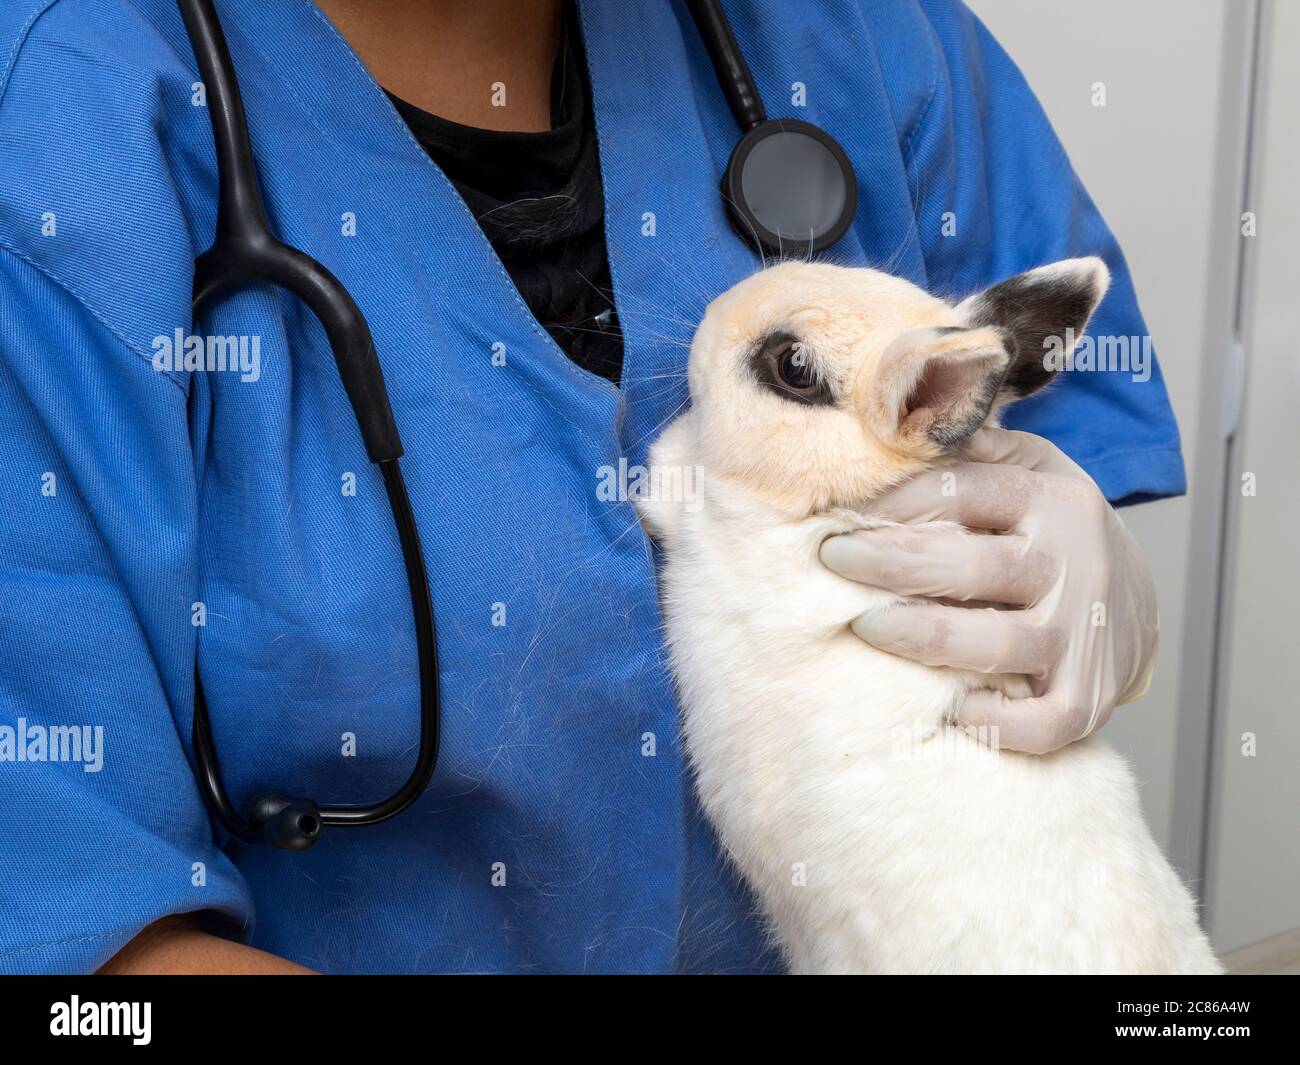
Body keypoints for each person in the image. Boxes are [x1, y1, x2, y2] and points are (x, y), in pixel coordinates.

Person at [0, 0, 1183, 974]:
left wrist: (1081, 583)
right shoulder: (63, 124)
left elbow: (1042, 440)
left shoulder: (863, 36)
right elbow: (85, 947)